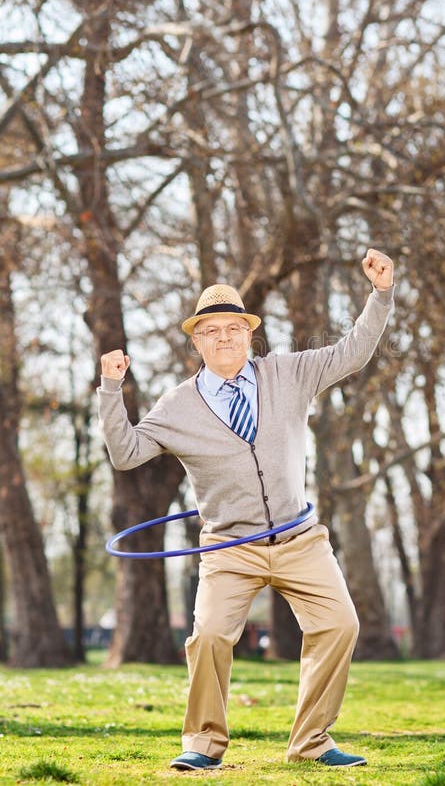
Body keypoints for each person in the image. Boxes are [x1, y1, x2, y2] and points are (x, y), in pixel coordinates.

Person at [98, 248, 394, 770]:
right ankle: (203, 744)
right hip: (228, 547)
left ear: (248, 333)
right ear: (197, 342)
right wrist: (110, 388)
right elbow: (125, 454)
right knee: (209, 635)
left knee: (340, 625)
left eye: (233, 328)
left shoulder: (289, 373)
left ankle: (311, 742)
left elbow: (354, 351)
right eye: (210, 331)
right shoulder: (177, 405)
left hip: (299, 537)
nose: (224, 338)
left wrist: (381, 293)